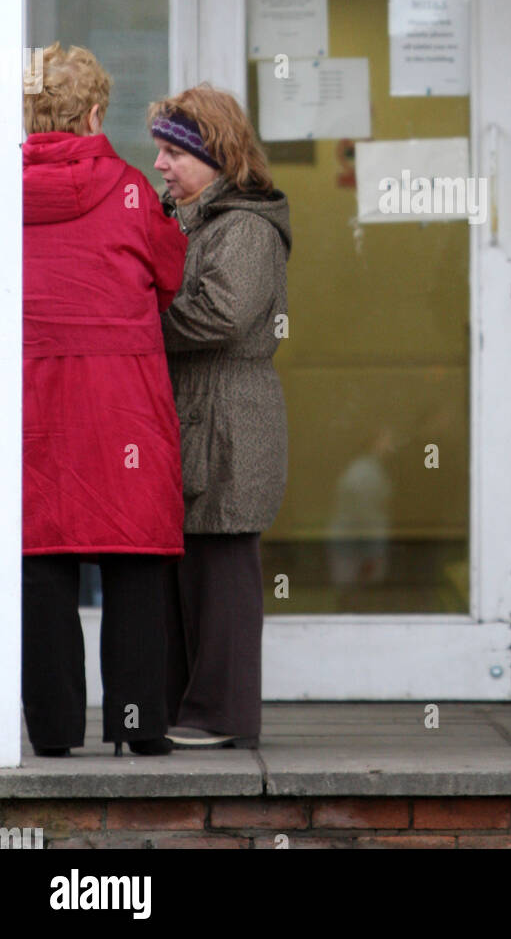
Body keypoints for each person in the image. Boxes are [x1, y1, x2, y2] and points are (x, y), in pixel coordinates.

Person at [22, 43, 187, 757]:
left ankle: (54, 734)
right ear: (94, 113)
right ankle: (139, 724)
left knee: (40, 563)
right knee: (134, 560)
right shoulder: (129, 190)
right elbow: (171, 274)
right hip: (123, 402)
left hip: (35, 404)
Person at [147, 85, 292, 748]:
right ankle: (190, 708)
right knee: (190, 563)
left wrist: (135, 324)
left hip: (230, 414)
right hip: (197, 409)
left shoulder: (244, 225)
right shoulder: (195, 219)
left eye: (174, 150)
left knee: (223, 563)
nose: (159, 164)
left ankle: (218, 716)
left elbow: (220, 313)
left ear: (214, 153)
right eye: (159, 149)